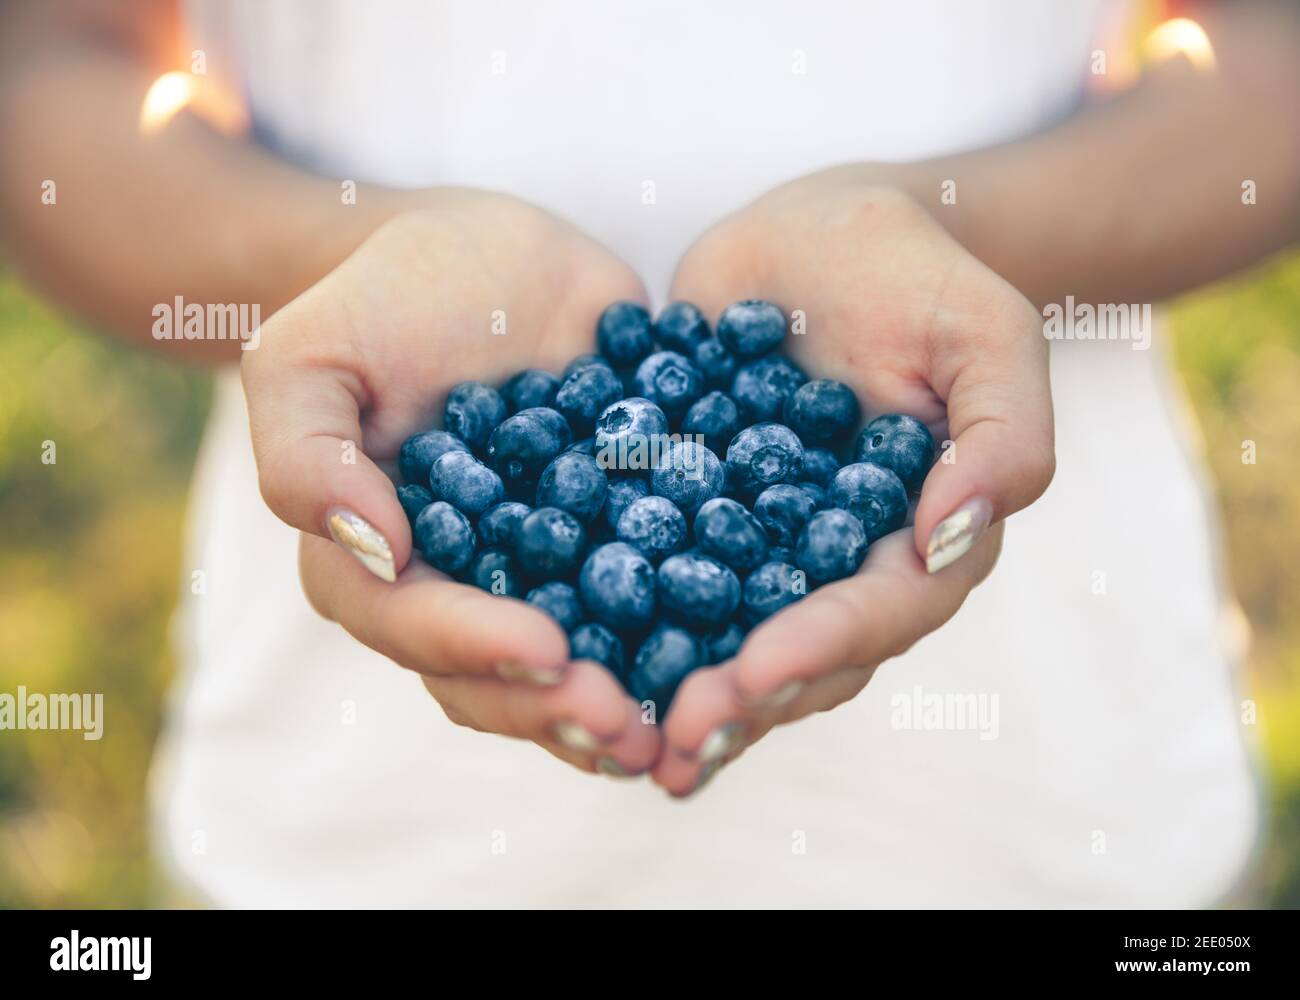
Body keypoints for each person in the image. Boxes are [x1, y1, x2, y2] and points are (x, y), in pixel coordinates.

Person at [2, 0, 1294, 907]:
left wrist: (965, 235)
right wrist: (327, 270)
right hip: (362, 830)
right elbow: (48, 66)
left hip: (1046, 802)